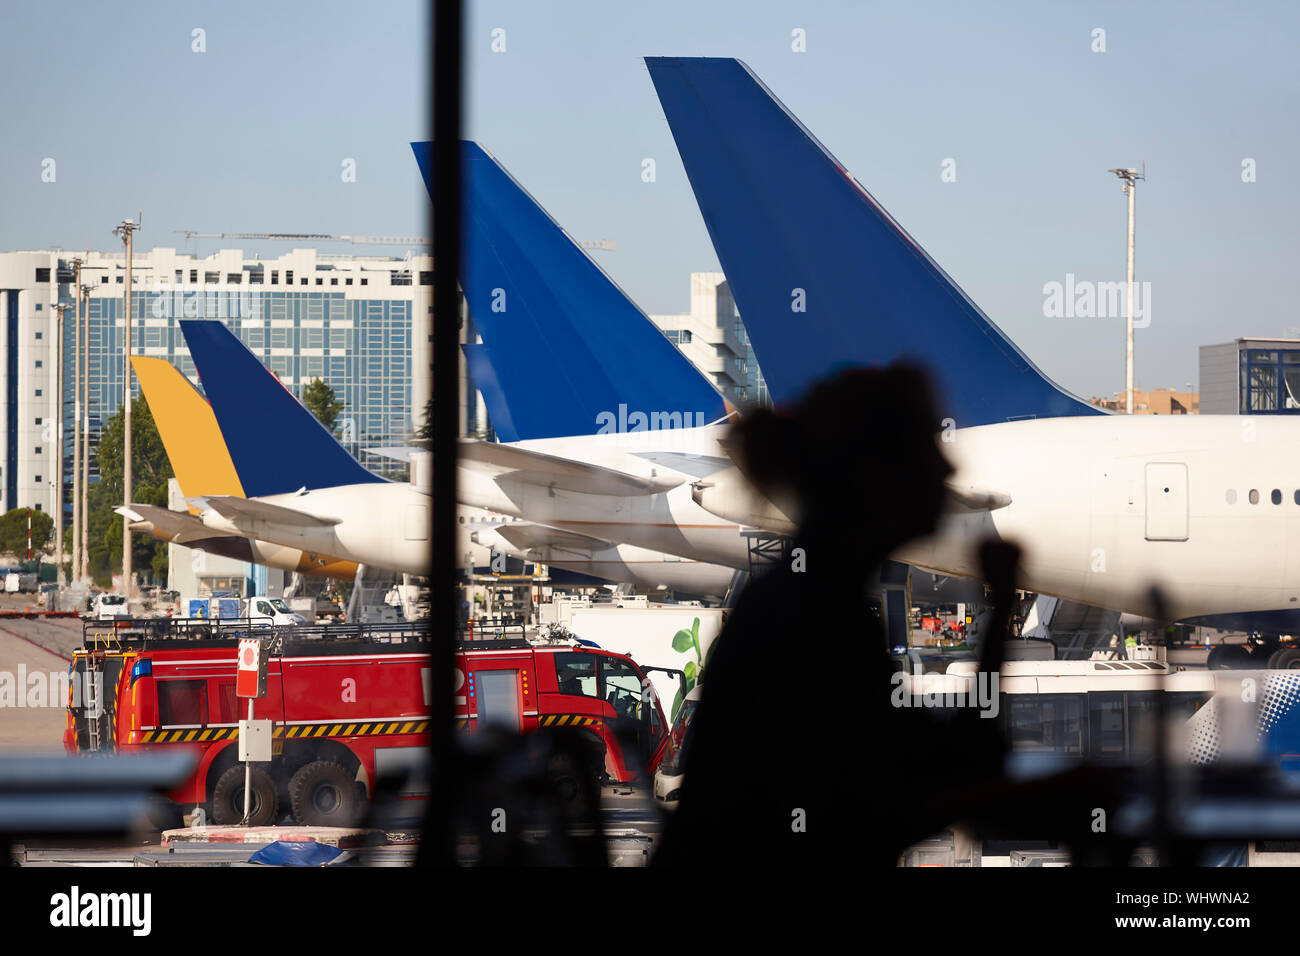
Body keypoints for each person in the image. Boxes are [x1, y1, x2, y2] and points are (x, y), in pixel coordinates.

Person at [653, 364, 1019, 868]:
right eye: (927, 451)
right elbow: (927, 787)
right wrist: (1000, 612)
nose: (946, 473)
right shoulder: (820, 619)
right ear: (877, 479)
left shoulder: (802, 602)